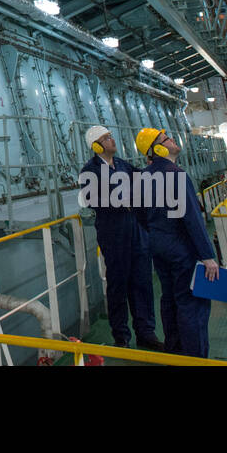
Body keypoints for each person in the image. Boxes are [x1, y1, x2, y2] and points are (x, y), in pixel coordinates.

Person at [136, 127, 219, 358]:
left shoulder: (142, 177)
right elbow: (192, 218)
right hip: (182, 248)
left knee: (170, 299)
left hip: (159, 246)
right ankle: (196, 359)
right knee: (192, 304)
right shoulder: (176, 174)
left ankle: (174, 353)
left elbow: (140, 215)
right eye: (166, 138)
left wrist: (156, 233)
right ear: (158, 148)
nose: (172, 140)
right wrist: (207, 256)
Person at [78, 125, 163, 351]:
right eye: (106, 138)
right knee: (118, 286)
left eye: (111, 136)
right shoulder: (90, 171)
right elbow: (95, 200)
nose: (112, 140)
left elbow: (143, 182)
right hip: (114, 235)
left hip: (136, 231)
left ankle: (146, 333)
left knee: (142, 283)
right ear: (97, 145)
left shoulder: (124, 165)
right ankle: (121, 337)